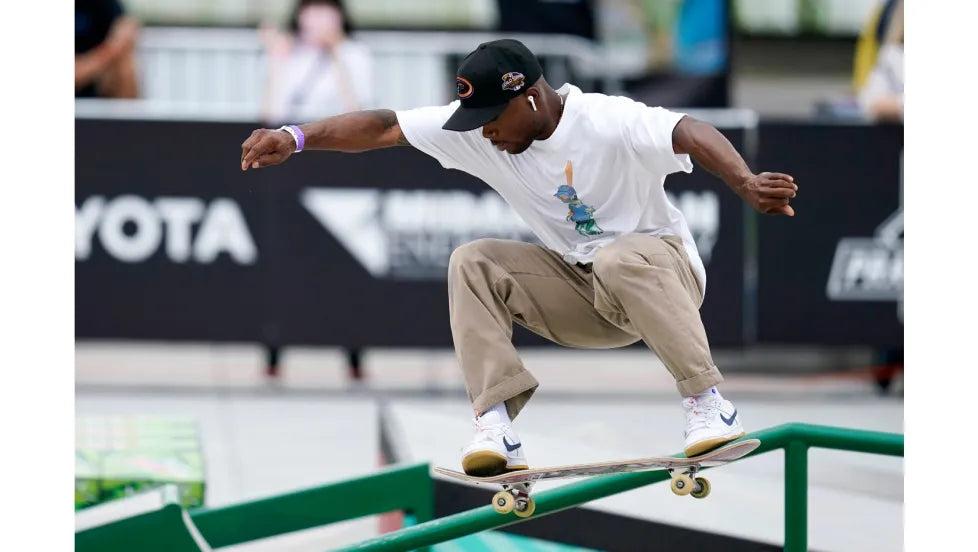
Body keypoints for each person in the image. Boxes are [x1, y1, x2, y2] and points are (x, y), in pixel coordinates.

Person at [240, 39, 798, 476]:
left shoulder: (606, 120)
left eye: (492, 119)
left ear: (529, 97)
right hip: (583, 292)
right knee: (472, 262)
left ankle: (708, 404)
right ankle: (495, 426)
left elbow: (689, 131)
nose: (485, 132)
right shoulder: (482, 133)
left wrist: (745, 182)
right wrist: (297, 136)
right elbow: (386, 126)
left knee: (619, 259)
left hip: (661, 277)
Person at [261, 0, 373, 125]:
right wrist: (275, 59)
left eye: (324, 11)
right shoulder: (290, 53)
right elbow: (270, 116)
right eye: (310, 11)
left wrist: (335, 54)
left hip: (335, 135)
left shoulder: (354, 53)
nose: (317, 20)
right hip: (294, 136)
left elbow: (357, 113)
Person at [75, 0, 140, 98]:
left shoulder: (106, 5)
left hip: (97, 75)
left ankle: (125, 112)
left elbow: (126, 27)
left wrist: (93, 63)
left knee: (124, 66)